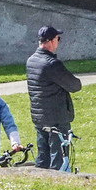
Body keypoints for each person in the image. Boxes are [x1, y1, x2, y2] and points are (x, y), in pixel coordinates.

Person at [26, 25, 81, 172]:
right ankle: (57, 188)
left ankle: (40, 184)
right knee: (59, 161)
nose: (58, 42)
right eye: (58, 39)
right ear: (50, 41)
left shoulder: (31, 61)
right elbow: (75, 85)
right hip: (56, 119)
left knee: (42, 158)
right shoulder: (51, 64)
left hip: (39, 117)